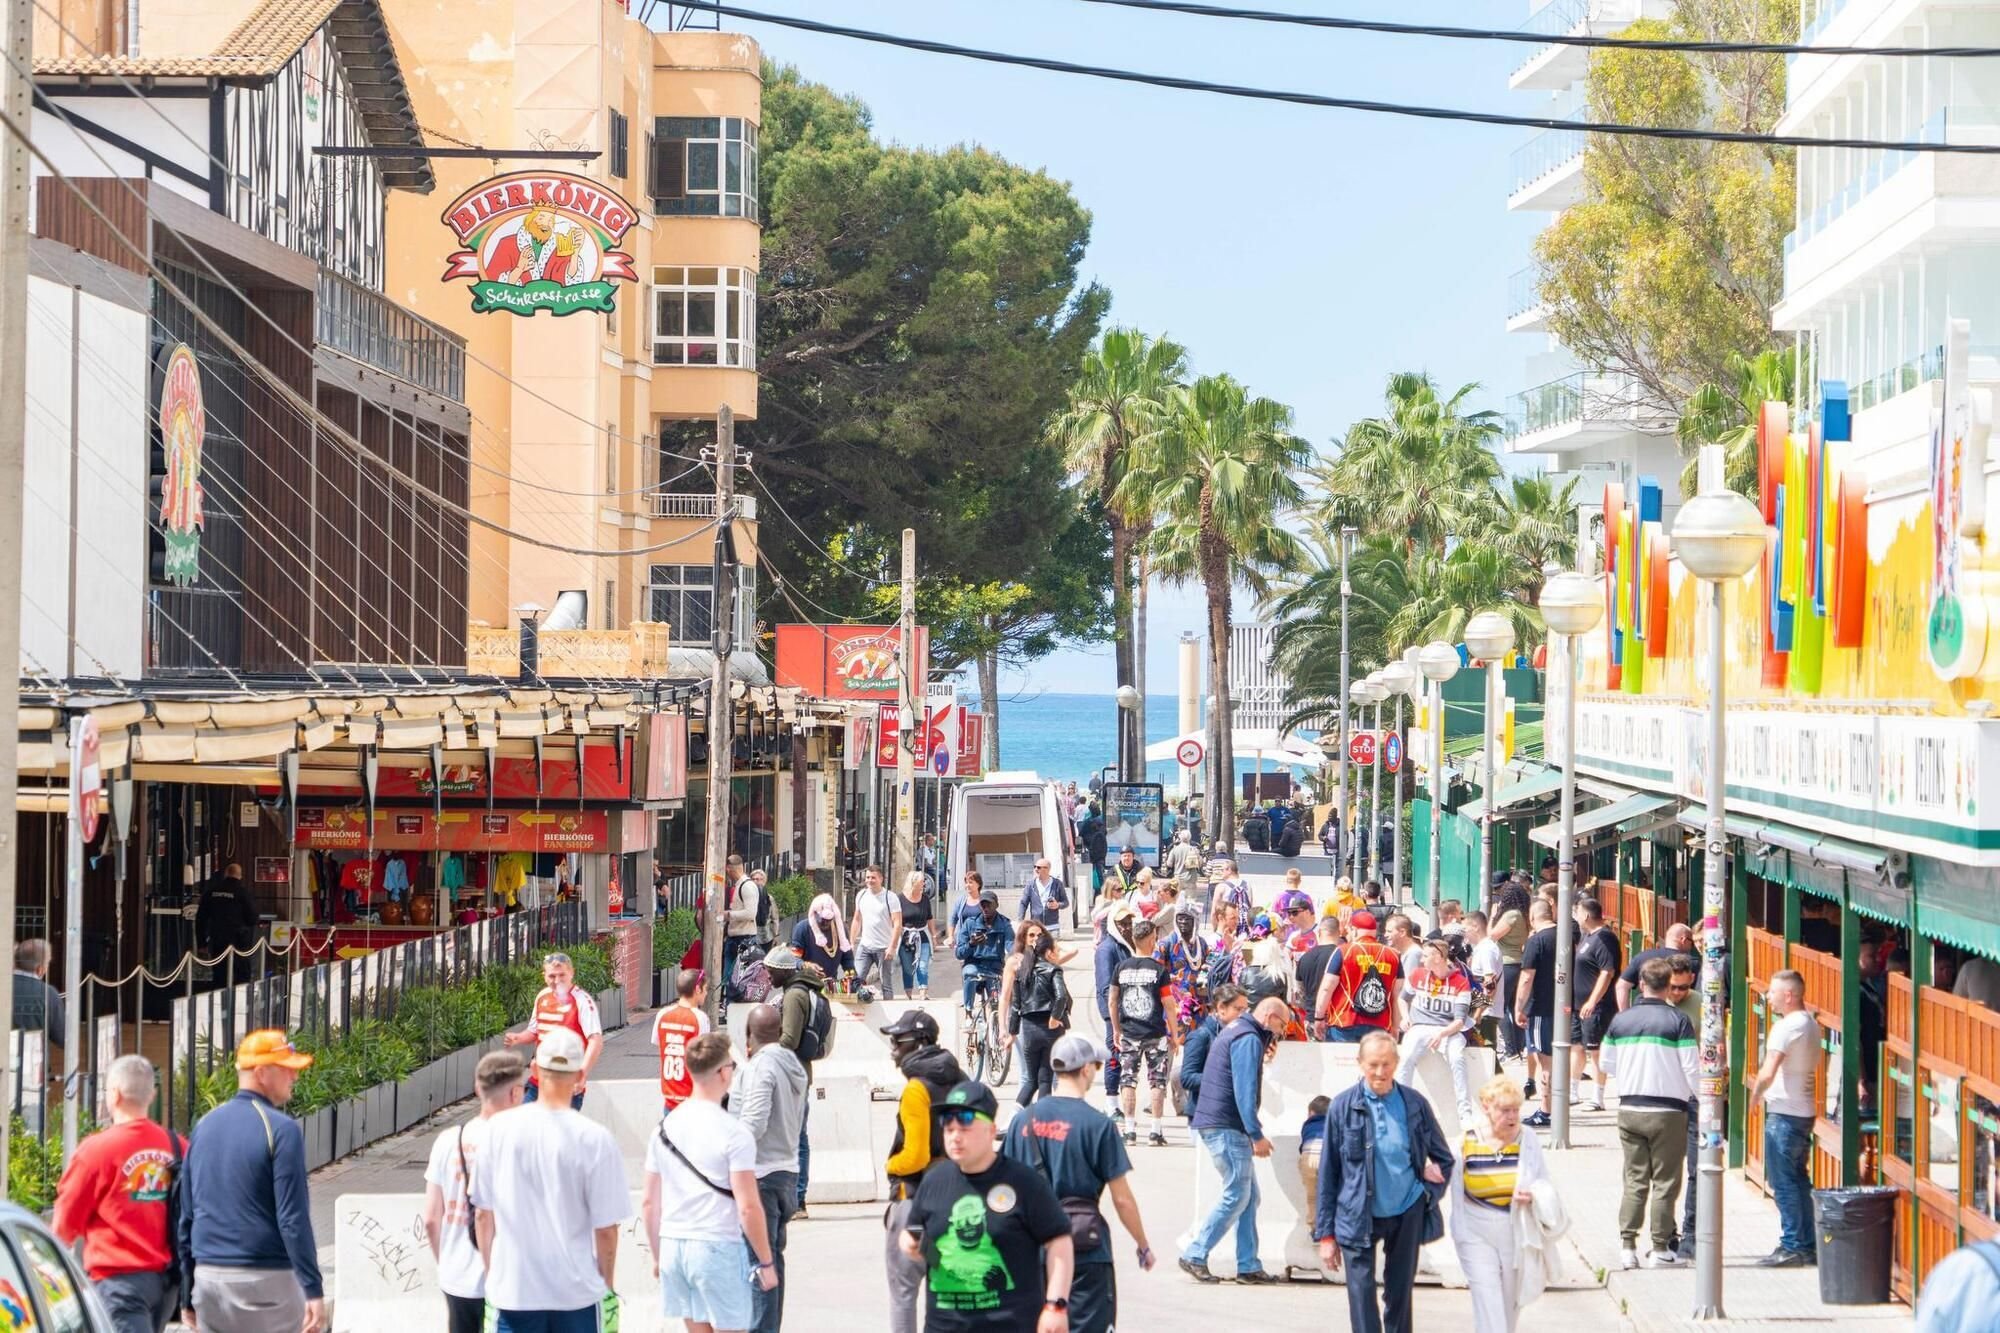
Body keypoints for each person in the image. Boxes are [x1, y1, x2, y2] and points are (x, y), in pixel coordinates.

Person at [473, 1027, 627, 1332]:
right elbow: (607, 1229)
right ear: (579, 1076)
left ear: (533, 1070)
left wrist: (493, 1273)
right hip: (577, 1292)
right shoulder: (595, 1139)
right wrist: (605, 1283)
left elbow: (482, 1214)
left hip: (515, 1290)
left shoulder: (497, 1130)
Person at [1003, 1035, 1157, 1333]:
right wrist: (1142, 1245)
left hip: (1029, 1247)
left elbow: (1003, 1189)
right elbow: (1122, 1199)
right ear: (1086, 1070)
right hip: (1083, 1249)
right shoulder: (1099, 1125)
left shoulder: (1023, 1121)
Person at [178, 1030, 323, 1333]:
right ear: (261, 1072)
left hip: (209, 1280)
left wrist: (187, 1290)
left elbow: (187, 1217)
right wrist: (312, 1287)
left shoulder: (204, 1127)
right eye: (287, 1070)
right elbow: (292, 1219)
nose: (294, 1078)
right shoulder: (282, 1130)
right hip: (265, 1281)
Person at [900, 1081, 1075, 1331]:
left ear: (991, 1130)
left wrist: (1055, 1305)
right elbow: (927, 1247)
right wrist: (914, 1244)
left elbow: (1059, 1241)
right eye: (948, 1127)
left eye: (965, 1123)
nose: (955, 1135)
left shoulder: (1024, 1183)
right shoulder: (934, 1180)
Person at [1315, 1030, 1454, 1333]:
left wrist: (1428, 1194)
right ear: (1360, 1063)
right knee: (1361, 1295)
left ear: (1396, 1063)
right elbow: (1328, 1173)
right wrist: (1325, 1235)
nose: (1380, 1072)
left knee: (1400, 1294)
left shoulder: (1414, 1104)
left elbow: (1445, 1160)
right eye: (1373, 1065)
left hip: (1406, 1211)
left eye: (1387, 1064)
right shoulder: (1341, 1107)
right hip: (1355, 1213)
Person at [642, 1032, 779, 1333]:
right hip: (716, 1246)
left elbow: (650, 1203)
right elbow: (748, 1207)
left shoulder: (663, 1129)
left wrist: (657, 1256)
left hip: (674, 1248)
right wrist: (766, 1262)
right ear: (722, 1072)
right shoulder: (734, 1133)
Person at [54, 1055, 184, 1333]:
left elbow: (65, 1222)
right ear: (152, 1094)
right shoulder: (178, 1147)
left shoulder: (96, 1151)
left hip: (119, 1282)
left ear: (114, 1094)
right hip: (168, 1282)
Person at [1180, 995, 1292, 1284]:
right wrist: (1255, 1134)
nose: (1281, 1033)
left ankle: (1248, 1264)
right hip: (1226, 1125)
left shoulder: (1238, 1031)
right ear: (1269, 1017)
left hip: (1221, 1122)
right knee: (1238, 1194)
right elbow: (1244, 1090)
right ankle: (1196, 1253)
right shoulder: (1247, 1038)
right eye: (1282, 1026)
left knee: (1248, 1196)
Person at [1600, 957, 1697, 1270]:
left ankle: (1627, 1246)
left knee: (1634, 1179)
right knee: (1666, 1182)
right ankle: (1660, 1248)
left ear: (1641, 984)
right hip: (1669, 1110)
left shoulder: (1621, 1021)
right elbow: (1692, 1069)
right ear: (1669, 987)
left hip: (1629, 1108)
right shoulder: (1678, 1022)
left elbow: (1605, 1064)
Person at [422, 1051, 527, 1333]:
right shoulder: (519, 1143)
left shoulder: (448, 1140)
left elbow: (432, 1218)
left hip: (456, 1276)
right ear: (516, 1093)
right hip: (507, 1279)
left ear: (478, 1088)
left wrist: (446, 1264)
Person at [882, 1011, 967, 1333]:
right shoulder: (962, 1079)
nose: (893, 1049)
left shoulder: (917, 1089)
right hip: (959, 1202)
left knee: (904, 1290)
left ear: (919, 1043)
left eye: (897, 1042)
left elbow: (915, 1156)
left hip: (915, 1203)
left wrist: (891, 1165)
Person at [1452, 1075, 1552, 1333]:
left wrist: (1531, 1194)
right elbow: (1450, 1185)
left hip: (1514, 1227)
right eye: (1504, 1110)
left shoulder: (1527, 1138)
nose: (1511, 1116)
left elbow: (1542, 1180)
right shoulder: (1466, 1140)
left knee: (1510, 1303)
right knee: (1488, 1298)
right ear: (1486, 1107)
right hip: (1475, 1228)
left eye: (1515, 1110)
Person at [733, 1005, 807, 1333]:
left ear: (750, 1036)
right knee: (773, 1260)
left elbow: (755, 1121)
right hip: (787, 1170)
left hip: (761, 1175)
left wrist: (729, 1151)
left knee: (758, 1267)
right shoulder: (792, 1063)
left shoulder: (762, 1066)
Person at [1748, 969, 1822, 1268]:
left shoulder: (1787, 1027)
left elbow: (1768, 1069)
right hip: (1800, 1110)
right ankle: (1805, 1242)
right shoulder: (1809, 1024)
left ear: (1789, 995)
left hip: (1785, 1113)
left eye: (1773, 992)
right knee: (1798, 1179)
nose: (1768, 996)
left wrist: (1753, 1097)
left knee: (1784, 1182)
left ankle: (1793, 1244)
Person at [766, 946, 834, 1215]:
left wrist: (763, 1049)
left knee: (796, 1139)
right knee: (798, 1137)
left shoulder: (794, 996)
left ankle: (796, 1199)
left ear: (783, 971)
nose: (769, 977)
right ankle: (796, 1198)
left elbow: (789, 1039)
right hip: (799, 1073)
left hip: (791, 1076)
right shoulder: (800, 990)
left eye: (771, 972)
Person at [1110, 917, 1181, 1147]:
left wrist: (1116, 1029)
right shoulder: (1159, 970)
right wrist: (1174, 1033)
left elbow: (1112, 1001)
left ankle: (1130, 1131)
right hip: (1155, 1033)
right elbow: (1169, 1004)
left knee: (1128, 1080)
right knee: (1157, 1081)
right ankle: (1155, 1131)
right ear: (1151, 940)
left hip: (1129, 1033)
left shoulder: (1120, 968)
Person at [502, 951, 604, 1110]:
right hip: (538, 1081)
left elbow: (595, 1040)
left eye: (561, 975)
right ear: (544, 975)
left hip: (567, 1084)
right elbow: (534, 1031)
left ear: (571, 973)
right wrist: (519, 1038)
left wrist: (582, 1073)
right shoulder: (542, 996)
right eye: (552, 976)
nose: (557, 980)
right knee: (523, 1126)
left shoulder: (582, 1000)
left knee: (561, 1132)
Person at [1398, 935, 1477, 1127]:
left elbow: (1459, 1020)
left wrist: (1442, 1034)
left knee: (1457, 1059)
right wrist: (1405, 1017)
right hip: (1420, 1025)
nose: (1421, 959)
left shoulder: (1460, 981)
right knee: (1406, 1058)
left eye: (1425, 956)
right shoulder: (1417, 975)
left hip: (1448, 1028)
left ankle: (1465, 1113)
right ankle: (1401, 1107)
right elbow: (1402, 998)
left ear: (1438, 958)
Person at [999, 919, 1072, 1107]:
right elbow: (1007, 998)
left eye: (1039, 935)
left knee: (1044, 1077)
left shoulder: (1048, 961)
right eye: (1031, 935)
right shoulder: (1015, 962)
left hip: (1035, 1023)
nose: (1035, 939)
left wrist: (1048, 946)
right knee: (1029, 1075)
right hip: (1027, 1024)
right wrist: (1004, 1029)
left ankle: (1033, 1119)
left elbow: (1073, 952)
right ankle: (1029, 1120)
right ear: (1022, 939)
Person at [1513, 900, 1567, 1128]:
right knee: (1557, 1058)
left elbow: (1526, 978)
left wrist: (1518, 1007)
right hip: (1562, 1006)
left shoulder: (1536, 941)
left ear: (1532, 917)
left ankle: (1546, 1111)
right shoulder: (1565, 937)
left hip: (1541, 1007)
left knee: (1546, 1061)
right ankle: (1557, 1106)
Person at [1316, 911, 1402, 1043]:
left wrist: (1319, 1018)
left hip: (1344, 1022)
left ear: (1354, 930)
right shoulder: (1394, 955)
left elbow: (1327, 987)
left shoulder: (1343, 951)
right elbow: (1398, 996)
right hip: (1380, 1024)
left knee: (1341, 1063)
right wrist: (1395, 1027)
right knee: (1372, 1063)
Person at [1572, 897, 1622, 1111]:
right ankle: (1572, 1091)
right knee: (1576, 1046)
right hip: (1578, 1004)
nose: (1575, 918)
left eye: (1577, 913)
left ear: (1585, 915)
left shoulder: (1604, 938)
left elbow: (1607, 972)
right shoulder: (1587, 937)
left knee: (1596, 1050)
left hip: (1597, 1006)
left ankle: (1598, 1095)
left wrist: (1593, 1000)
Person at [1177, 985, 1248, 1122]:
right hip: (1205, 1117)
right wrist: (1223, 1078)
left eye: (1245, 1010)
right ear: (1221, 1008)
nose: (1242, 1015)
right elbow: (1187, 1078)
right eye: (1238, 1009)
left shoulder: (1240, 1035)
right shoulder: (1201, 1036)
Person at [653, 968, 711, 1115]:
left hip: (669, 1095)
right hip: (692, 1098)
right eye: (705, 989)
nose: (706, 993)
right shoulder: (699, 1017)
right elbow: (704, 1055)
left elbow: (660, 1045)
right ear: (697, 989)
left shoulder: (662, 1015)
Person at [1488, 878, 1532, 1060]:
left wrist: (1493, 915)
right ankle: (1519, 1047)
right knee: (1516, 1007)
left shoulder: (1511, 915)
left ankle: (1511, 1049)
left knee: (1500, 1006)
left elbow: (1492, 935)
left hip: (1507, 963)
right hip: (1518, 962)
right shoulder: (1523, 913)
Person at [956, 888, 1015, 1011]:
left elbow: (1011, 945)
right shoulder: (970, 924)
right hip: (974, 964)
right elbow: (959, 953)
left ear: (996, 905)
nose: (985, 908)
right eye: (982, 905)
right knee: (969, 974)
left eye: (989, 905)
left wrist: (1017, 958)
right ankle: (968, 1013)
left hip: (995, 967)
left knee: (998, 1003)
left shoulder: (1005, 924)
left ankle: (996, 1022)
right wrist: (971, 944)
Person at [1615, 922, 1696, 1011]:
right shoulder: (1691, 963)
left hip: (1645, 1012)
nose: (1692, 947)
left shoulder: (1642, 957)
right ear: (1683, 940)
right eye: (1692, 943)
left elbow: (1621, 986)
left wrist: (1625, 1014)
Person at [852, 864, 904, 999]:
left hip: (883, 948)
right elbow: (857, 919)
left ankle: (889, 1014)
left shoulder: (890, 897)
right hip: (865, 946)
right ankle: (859, 1014)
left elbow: (897, 924)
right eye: (867, 877)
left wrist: (892, 947)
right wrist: (851, 942)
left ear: (881, 879)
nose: (869, 880)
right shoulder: (861, 895)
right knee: (856, 980)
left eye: (873, 878)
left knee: (886, 984)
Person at [196, 863, 259, 958]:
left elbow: (201, 919)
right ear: (240, 876)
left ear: (226, 874)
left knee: (220, 970)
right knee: (240, 970)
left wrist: (201, 944)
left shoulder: (211, 892)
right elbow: (253, 918)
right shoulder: (243, 893)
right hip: (239, 940)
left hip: (217, 939)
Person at [721, 854, 761, 990]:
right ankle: (730, 1005)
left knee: (739, 981)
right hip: (736, 938)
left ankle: (734, 1006)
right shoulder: (741, 885)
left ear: (729, 870)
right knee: (731, 979)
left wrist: (728, 915)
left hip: (744, 939)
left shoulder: (747, 886)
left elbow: (751, 913)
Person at [1295, 917, 1340, 1036]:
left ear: (1319, 933)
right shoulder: (1342, 956)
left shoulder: (1304, 958)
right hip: (1337, 1020)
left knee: (1315, 1055)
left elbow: (1299, 994)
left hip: (1311, 1019)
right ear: (1338, 933)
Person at [792, 892, 853, 979]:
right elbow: (794, 958)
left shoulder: (840, 930)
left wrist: (853, 977)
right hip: (807, 983)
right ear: (814, 914)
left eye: (828, 919)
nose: (825, 922)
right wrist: (806, 965)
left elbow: (848, 959)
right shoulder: (802, 928)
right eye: (821, 919)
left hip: (831, 984)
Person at [900, 870, 938, 1000]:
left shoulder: (925, 899)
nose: (924, 884)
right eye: (922, 882)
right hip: (906, 936)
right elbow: (895, 920)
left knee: (923, 965)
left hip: (922, 935)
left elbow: (930, 918)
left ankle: (923, 991)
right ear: (913, 883)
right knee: (907, 967)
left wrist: (934, 936)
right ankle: (908, 991)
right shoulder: (900, 899)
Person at [1021, 855, 1070, 931]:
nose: (1036, 869)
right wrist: (1020, 920)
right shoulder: (1030, 885)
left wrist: (1057, 905)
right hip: (1036, 927)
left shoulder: (1057, 884)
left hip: (1053, 927)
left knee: (1052, 943)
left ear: (1047, 869)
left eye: (1039, 867)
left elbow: (1066, 902)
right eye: (1035, 867)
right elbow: (1023, 903)